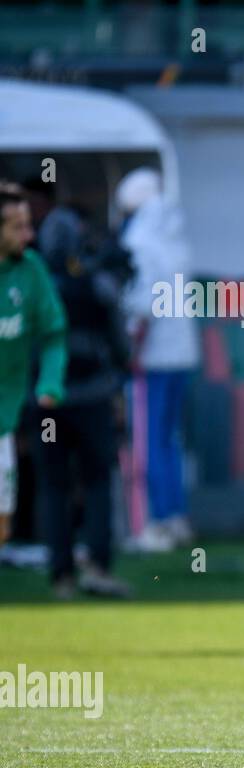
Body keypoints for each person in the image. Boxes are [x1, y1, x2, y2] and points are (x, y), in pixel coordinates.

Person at [32, 194, 134, 598]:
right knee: (96, 483)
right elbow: (120, 345)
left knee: (53, 486)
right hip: (92, 398)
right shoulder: (97, 285)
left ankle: (61, 577)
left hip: (45, 403)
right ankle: (99, 565)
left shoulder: (33, 286)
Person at [117, 167, 198, 552]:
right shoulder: (175, 237)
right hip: (181, 352)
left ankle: (155, 524)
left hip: (150, 358)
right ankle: (175, 516)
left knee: (147, 441)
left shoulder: (139, 239)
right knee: (168, 440)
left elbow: (140, 304)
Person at [0, 182, 66, 561]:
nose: (29, 234)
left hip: (4, 425)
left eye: (29, 223)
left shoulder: (30, 270)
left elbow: (54, 333)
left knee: (3, 527)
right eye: (17, 226)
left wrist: (51, 382)